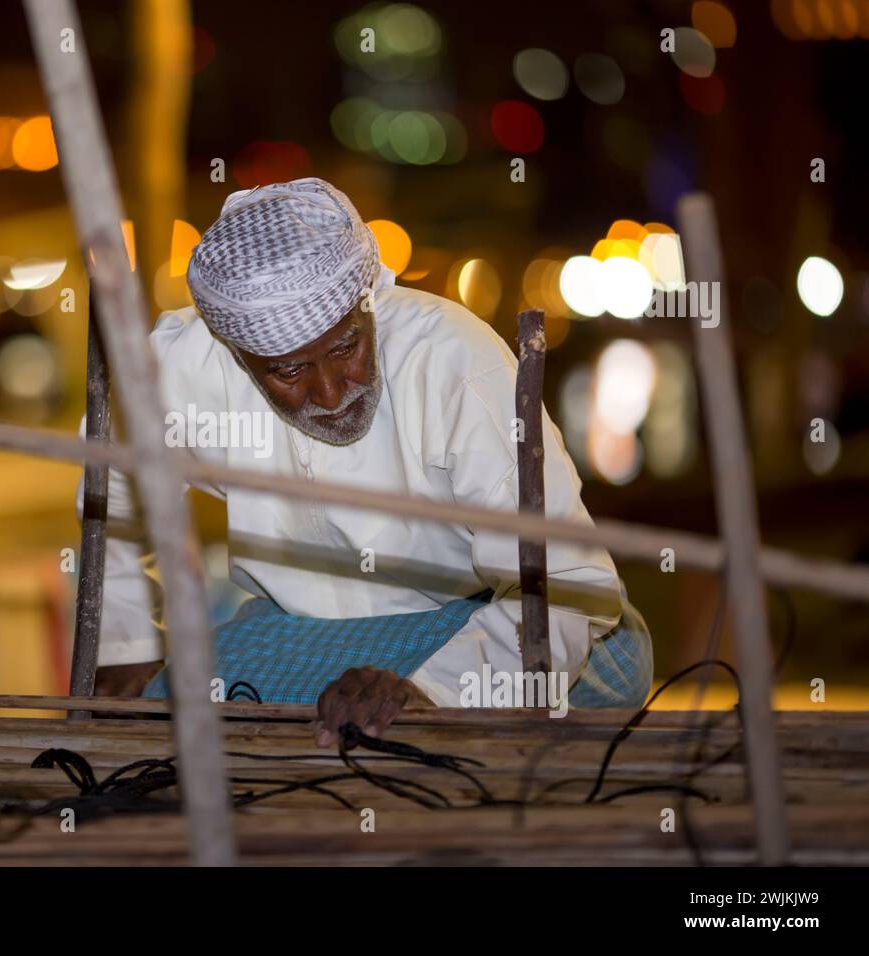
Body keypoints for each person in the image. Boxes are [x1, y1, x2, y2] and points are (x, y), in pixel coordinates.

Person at [85, 177, 651, 746]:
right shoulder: (185, 368)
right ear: (238, 356)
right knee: (198, 680)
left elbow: (566, 589)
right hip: (305, 642)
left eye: (345, 349)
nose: (331, 393)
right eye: (288, 372)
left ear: (369, 302)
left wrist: (432, 686)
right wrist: (125, 645)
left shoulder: (452, 360)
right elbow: (109, 475)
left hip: (482, 629)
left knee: (605, 660)